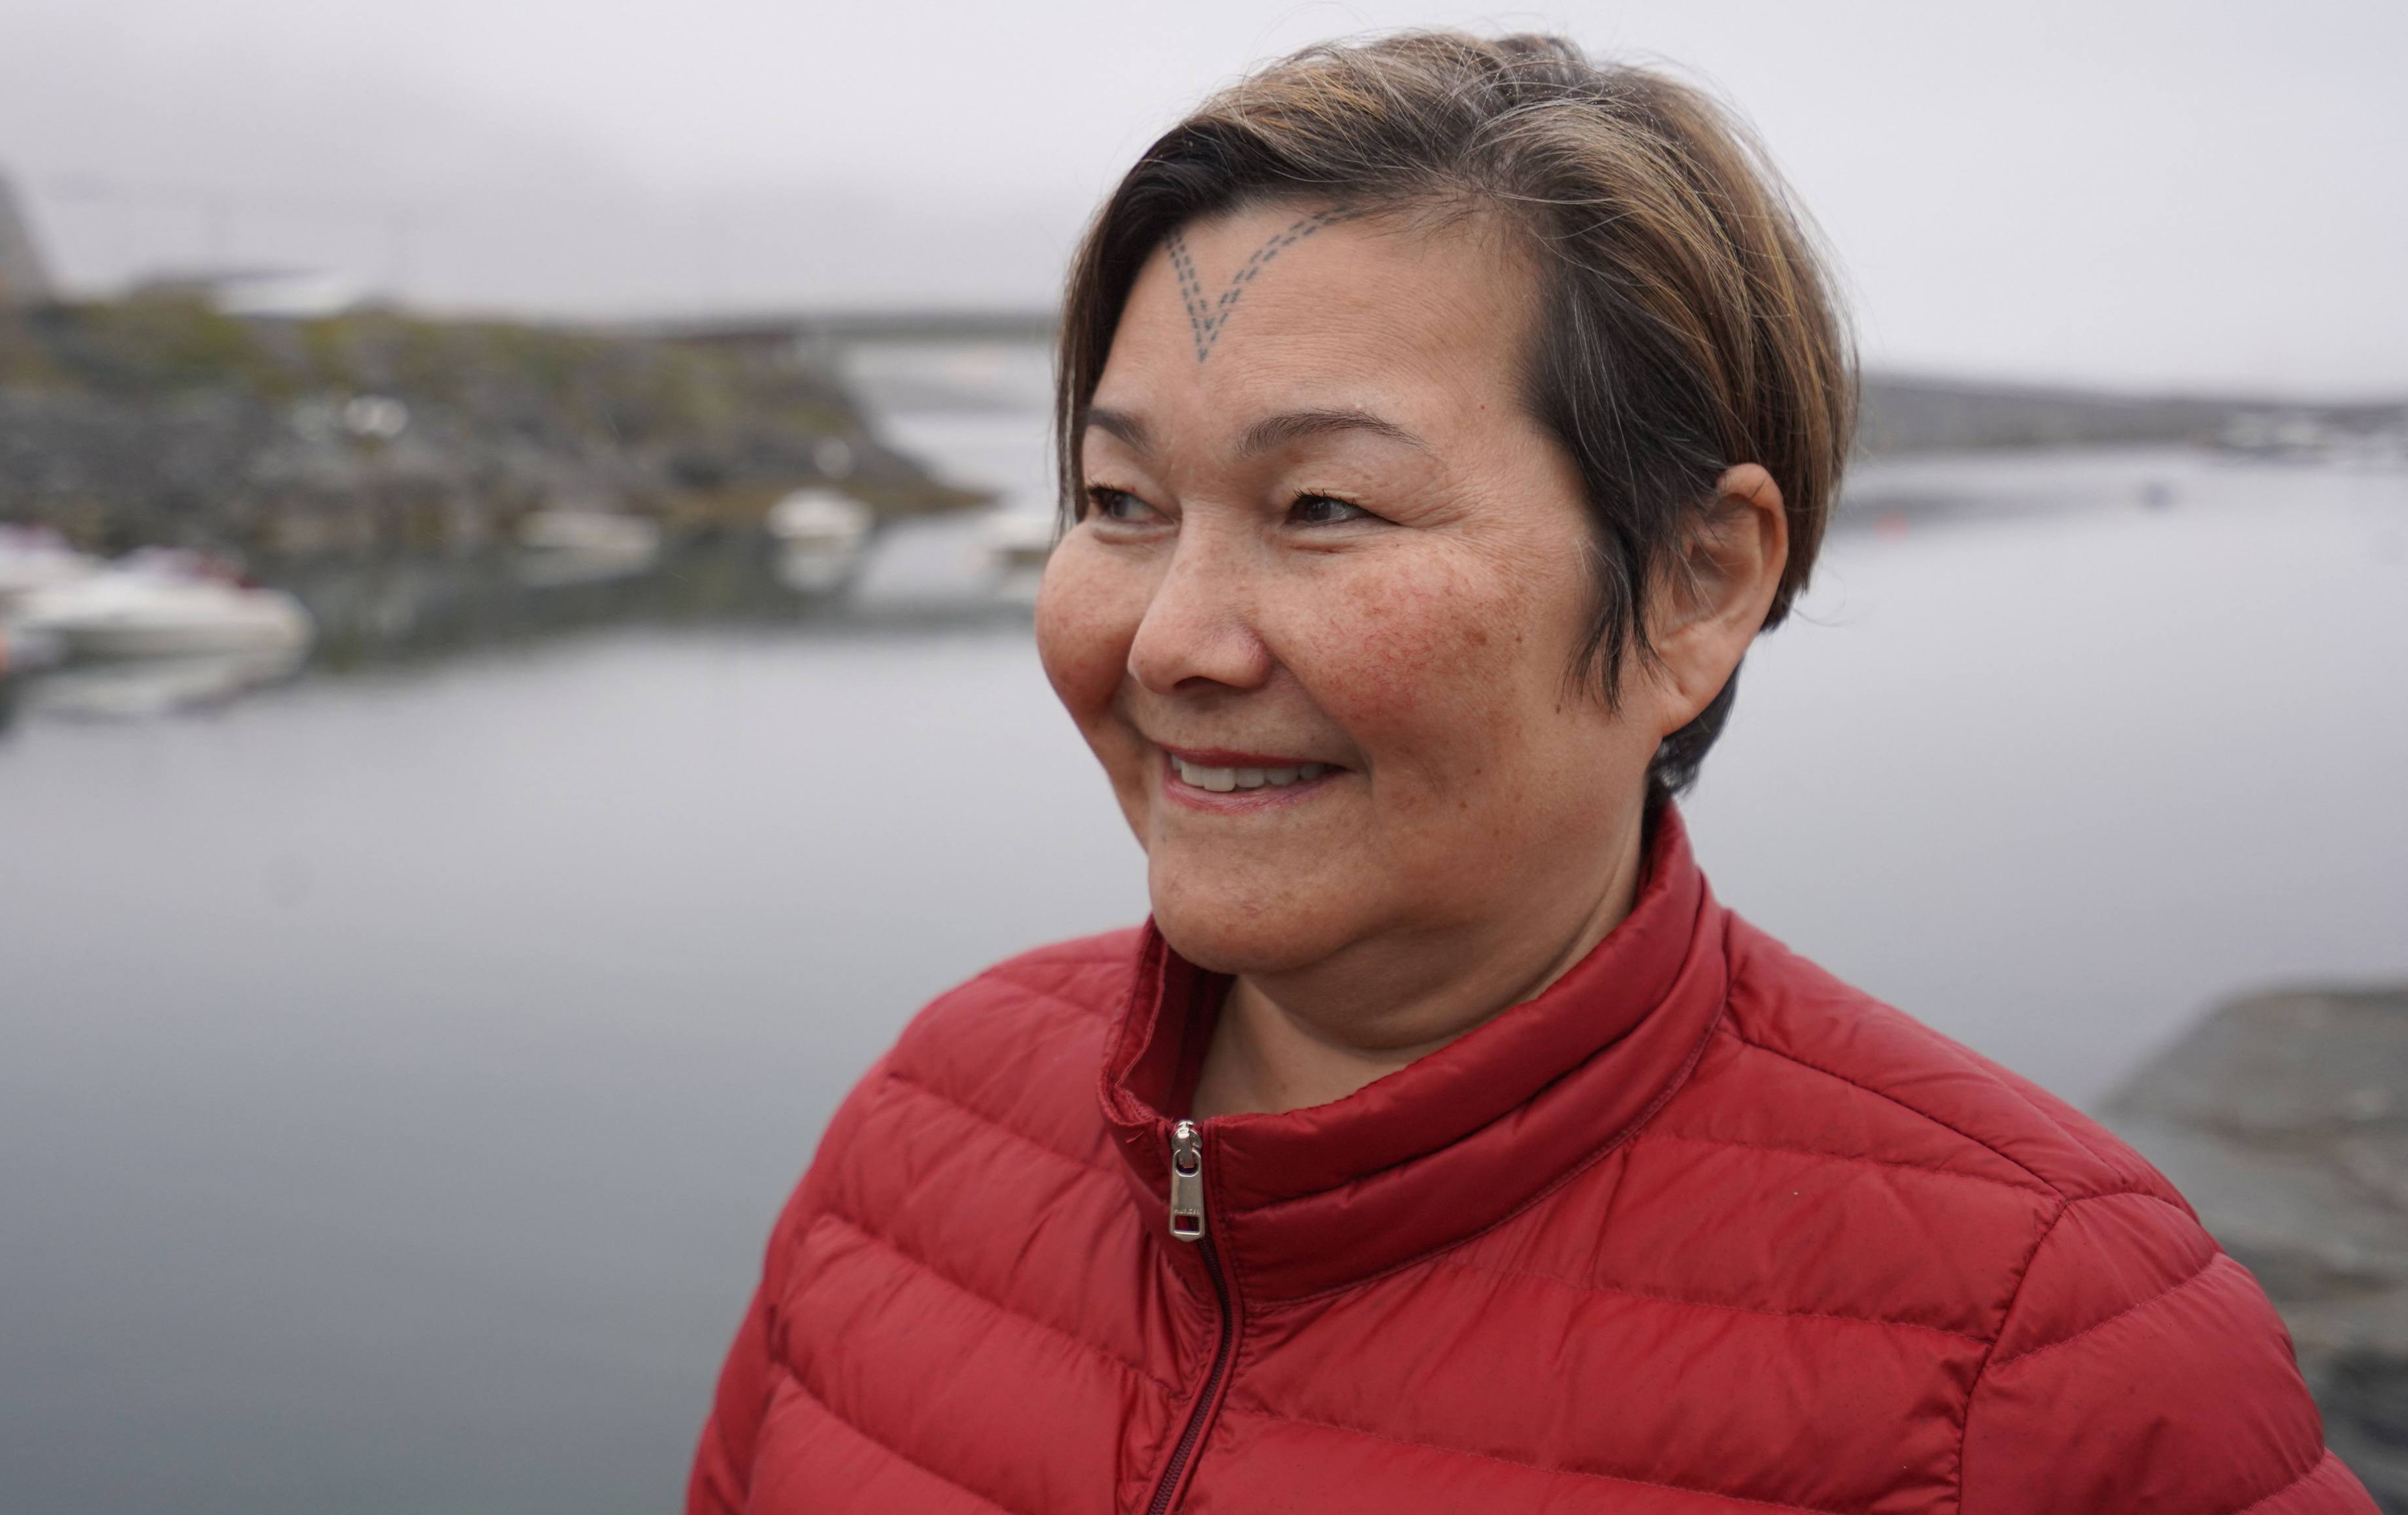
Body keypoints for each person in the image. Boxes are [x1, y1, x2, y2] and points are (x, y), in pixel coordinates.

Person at [688, 31, 2372, 1514]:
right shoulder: (931, 1126)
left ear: (1697, 581)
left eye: (1324, 507)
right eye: (1120, 504)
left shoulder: (2042, 1350)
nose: (1170, 643)